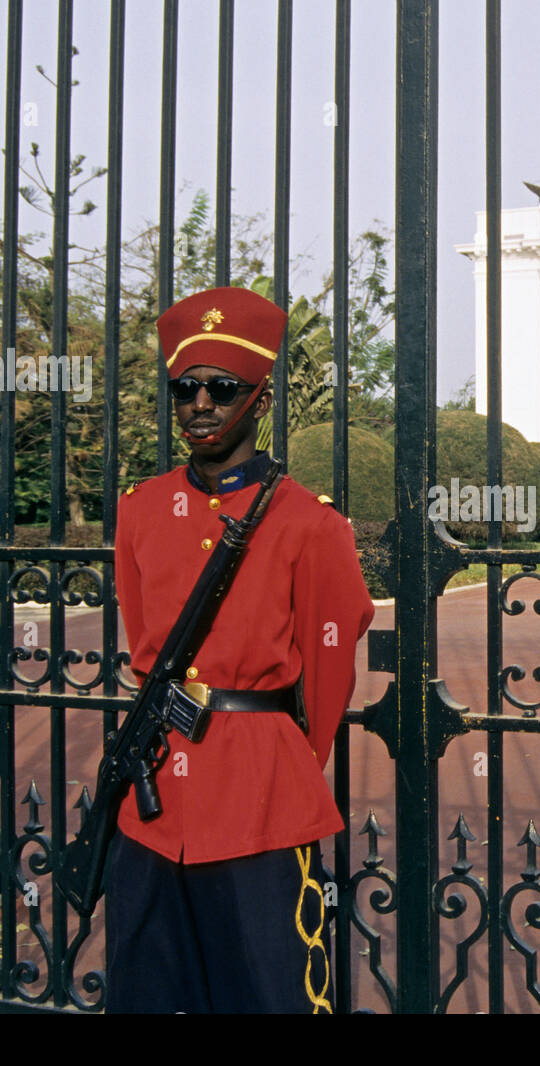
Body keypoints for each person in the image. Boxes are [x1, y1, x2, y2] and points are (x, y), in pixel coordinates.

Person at [104, 285, 375, 1013]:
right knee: (147, 994)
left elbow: (327, 668)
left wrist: (274, 753)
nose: (200, 404)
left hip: (262, 797)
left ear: (259, 398)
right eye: (185, 388)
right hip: (156, 797)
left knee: (270, 993)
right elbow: (144, 643)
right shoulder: (140, 510)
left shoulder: (309, 524)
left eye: (222, 388)